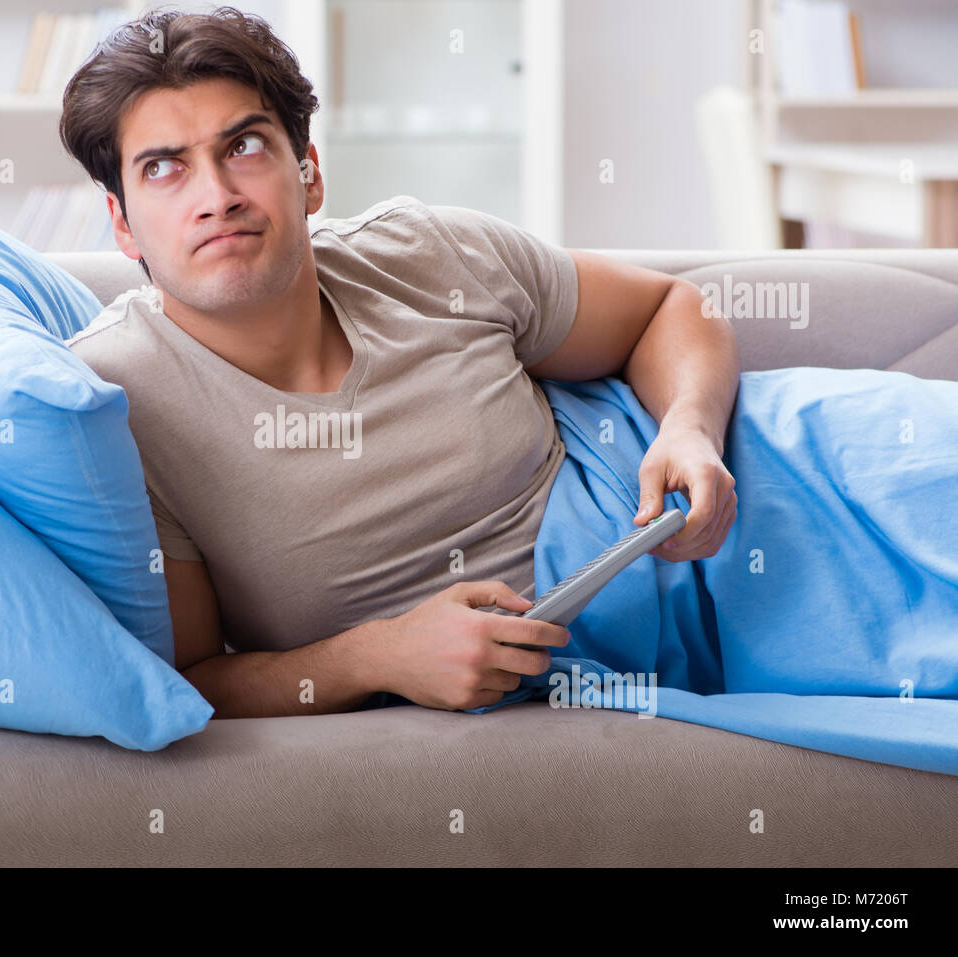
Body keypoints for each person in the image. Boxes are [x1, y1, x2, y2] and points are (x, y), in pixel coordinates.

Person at [60, 6, 739, 719]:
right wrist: (379, 654)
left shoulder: (427, 251)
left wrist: (689, 427)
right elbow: (188, 679)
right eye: (164, 168)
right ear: (122, 224)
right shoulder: (115, 401)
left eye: (245, 147)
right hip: (626, 642)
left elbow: (675, 307)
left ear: (310, 175)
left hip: (749, 482)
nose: (217, 197)